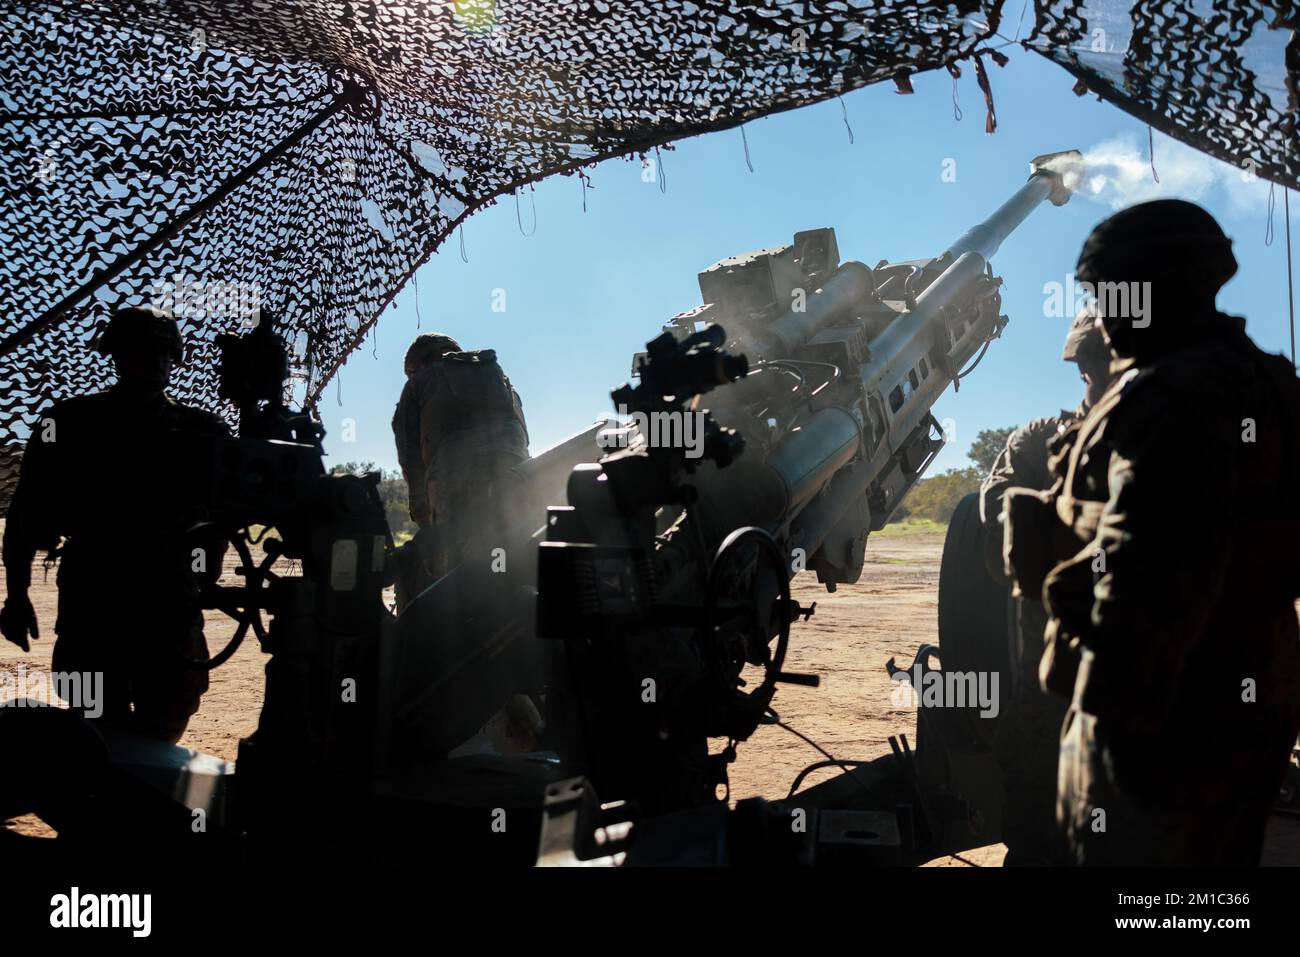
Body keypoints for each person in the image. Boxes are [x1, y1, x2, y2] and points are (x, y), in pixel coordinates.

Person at [1006, 199, 1300, 865]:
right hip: (1243, 695)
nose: (1102, 317)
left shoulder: (1177, 398)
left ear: (1155, 289)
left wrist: (1105, 735)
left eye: (1110, 294)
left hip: (1167, 722)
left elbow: (1150, 573)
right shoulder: (1263, 378)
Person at [1, 305, 228, 743]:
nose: (153, 361)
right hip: (104, 599)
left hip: (151, 601)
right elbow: (27, 514)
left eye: (161, 351)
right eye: (142, 351)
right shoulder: (68, 423)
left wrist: (203, 584)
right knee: (102, 724)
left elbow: (221, 522)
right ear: (117, 356)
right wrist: (16, 596)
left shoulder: (203, 432)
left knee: (156, 722)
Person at [980, 303, 1115, 866]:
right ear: (1082, 365)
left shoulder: (1167, 430)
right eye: (1094, 358)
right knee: (1039, 787)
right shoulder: (1042, 438)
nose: (1101, 369)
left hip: (1148, 655)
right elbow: (994, 508)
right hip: (1053, 654)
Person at [390, 332, 529, 611]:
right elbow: (522, 436)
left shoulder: (420, 383)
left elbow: (411, 458)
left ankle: (462, 631)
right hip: (515, 476)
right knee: (515, 551)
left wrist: (424, 517)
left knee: (455, 567)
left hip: (453, 480)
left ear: (417, 365)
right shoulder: (500, 379)